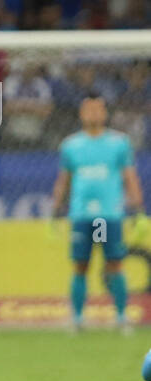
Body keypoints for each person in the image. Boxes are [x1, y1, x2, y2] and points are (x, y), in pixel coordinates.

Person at [51, 95, 143, 332]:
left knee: (114, 264)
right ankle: (78, 319)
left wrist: (138, 208)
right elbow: (65, 179)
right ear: (81, 113)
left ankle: (122, 317)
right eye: (88, 109)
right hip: (81, 215)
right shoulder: (71, 145)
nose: (93, 114)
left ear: (104, 113)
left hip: (107, 215)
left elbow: (129, 176)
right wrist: (56, 208)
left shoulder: (118, 143)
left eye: (97, 109)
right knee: (80, 265)